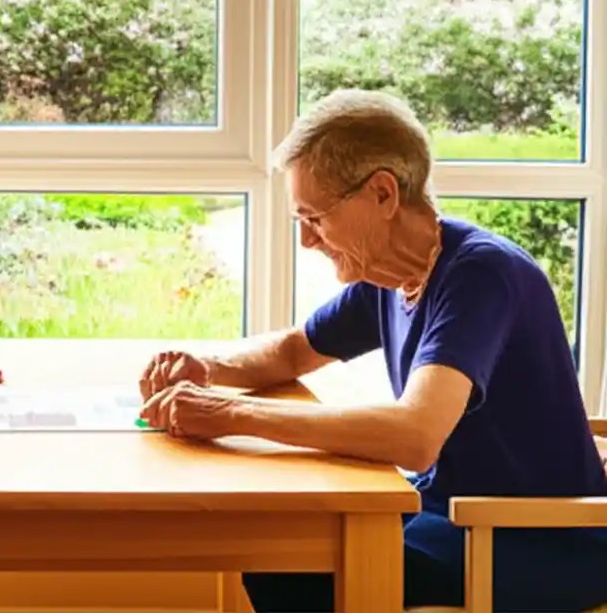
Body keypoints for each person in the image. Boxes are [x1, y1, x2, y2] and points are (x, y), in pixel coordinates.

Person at [139, 89, 607, 612]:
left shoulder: (480, 275)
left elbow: (415, 435)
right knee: (280, 545)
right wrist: (207, 368)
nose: (307, 242)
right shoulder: (390, 277)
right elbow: (295, 352)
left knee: (292, 566)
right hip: (452, 516)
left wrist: (232, 412)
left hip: (529, 539)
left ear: (383, 194)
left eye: (314, 218)